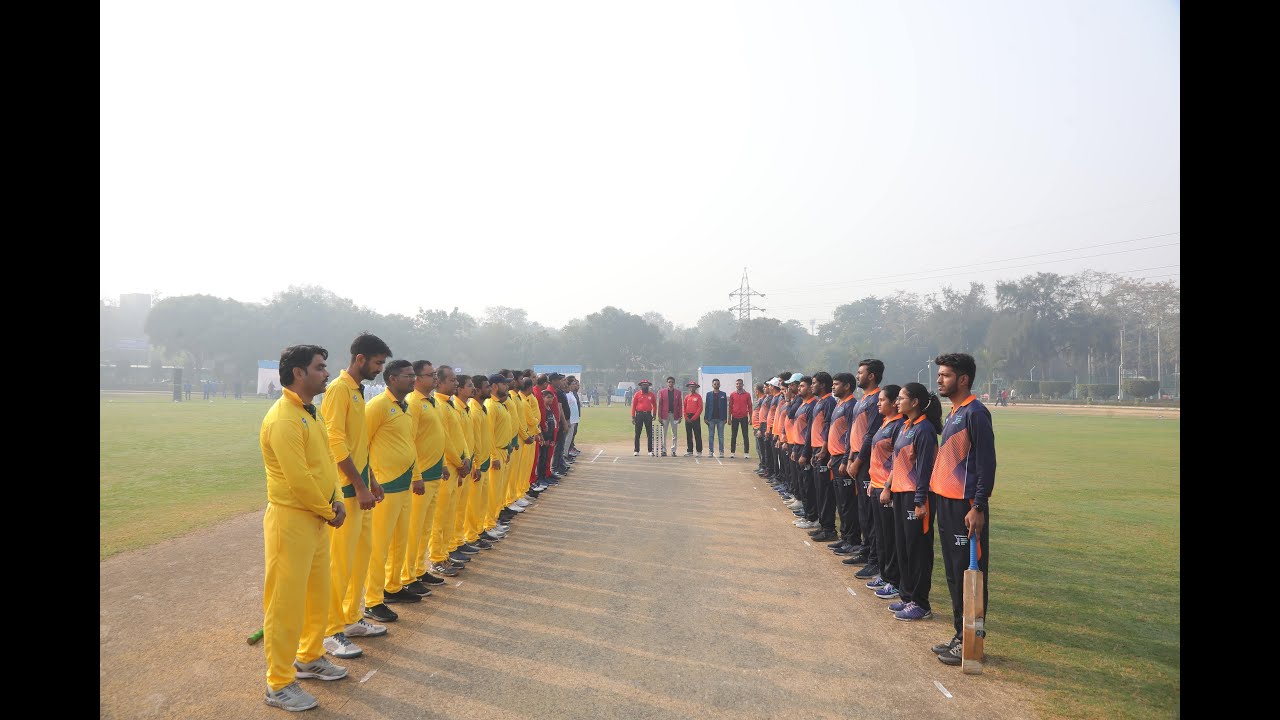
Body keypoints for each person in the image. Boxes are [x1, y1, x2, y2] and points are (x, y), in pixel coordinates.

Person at [259, 344, 348, 712]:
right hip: (292, 520)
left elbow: (326, 463)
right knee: (285, 603)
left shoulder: (311, 413)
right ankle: (278, 683)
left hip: (316, 518)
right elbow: (298, 479)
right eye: (320, 367)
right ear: (298, 373)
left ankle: (309, 657)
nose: (326, 373)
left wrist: (337, 498)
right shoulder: (283, 418)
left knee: (316, 594)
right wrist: (328, 509)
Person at [320, 333, 390, 657]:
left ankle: (350, 618)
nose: (379, 369)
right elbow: (335, 441)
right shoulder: (338, 389)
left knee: (361, 555)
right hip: (346, 490)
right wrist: (359, 486)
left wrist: (371, 479)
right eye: (377, 363)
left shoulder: (357, 391)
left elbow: (359, 444)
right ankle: (330, 630)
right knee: (340, 562)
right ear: (360, 359)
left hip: (361, 486)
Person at [930, 353, 996, 666]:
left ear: (964, 379)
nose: (939, 380)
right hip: (946, 502)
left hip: (966, 505)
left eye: (945, 375)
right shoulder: (956, 412)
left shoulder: (976, 413)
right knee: (954, 574)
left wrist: (979, 506)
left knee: (970, 574)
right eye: (940, 374)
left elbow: (986, 463)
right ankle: (960, 635)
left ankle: (972, 642)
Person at [362, 360, 422, 624]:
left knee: (400, 540)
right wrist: (370, 480)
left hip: (405, 483)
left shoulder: (404, 408)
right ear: (392, 378)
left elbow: (409, 445)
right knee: (380, 546)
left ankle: (393, 586)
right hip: (385, 487)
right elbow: (360, 445)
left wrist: (417, 476)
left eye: (414, 375)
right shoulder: (377, 406)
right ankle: (373, 600)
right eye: (408, 376)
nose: (413, 379)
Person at [886, 383, 938, 622]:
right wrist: (889, 487)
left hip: (916, 497)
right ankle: (907, 597)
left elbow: (925, 469)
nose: (897, 402)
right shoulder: (907, 426)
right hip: (901, 494)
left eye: (901, 398)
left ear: (915, 402)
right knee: (904, 547)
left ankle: (921, 603)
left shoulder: (924, 429)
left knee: (918, 550)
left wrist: (920, 501)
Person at [403, 360, 453, 586]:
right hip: (420, 476)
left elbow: (436, 437)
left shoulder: (430, 402)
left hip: (434, 473)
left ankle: (418, 569)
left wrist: (442, 463)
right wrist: (416, 476)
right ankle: (407, 575)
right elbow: (410, 441)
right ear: (417, 378)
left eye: (435, 374)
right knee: (414, 529)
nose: (435, 378)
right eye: (430, 375)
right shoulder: (413, 402)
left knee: (424, 528)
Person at [843, 359, 887, 582]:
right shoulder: (863, 400)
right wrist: (850, 457)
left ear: (871, 376)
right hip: (857, 461)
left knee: (870, 513)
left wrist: (858, 461)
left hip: (868, 464)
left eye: (860, 372)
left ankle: (874, 559)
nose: (857, 375)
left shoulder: (876, 400)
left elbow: (870, 436)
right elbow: (854, 433)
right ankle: (866, 550)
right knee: (862, 510)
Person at [428, 366, 472, 580]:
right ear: (440, 382)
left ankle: (445, 553)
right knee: (440, 517)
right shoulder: (438, 405)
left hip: (457, 467)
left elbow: (459, 436)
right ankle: (437, 558)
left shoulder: (448, 405)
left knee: (449, 515)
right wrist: (458, 461)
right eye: (452, 380)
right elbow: (444, 440)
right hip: (448, 468)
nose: (456, 383)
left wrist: (466, 458)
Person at [865, 385, 905, 604]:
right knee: (880, 534)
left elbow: (898, 460)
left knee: (890, 537)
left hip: (888, 488)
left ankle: (894, 580)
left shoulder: (898, 425)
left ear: (893, 403)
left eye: (882, 400)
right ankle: (885, 573)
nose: (878, 403)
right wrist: (873, 481)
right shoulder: (885, 423)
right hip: (877, 485)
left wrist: (888, 486)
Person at [824, 372, 862, 559]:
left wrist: (846, 459)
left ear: (847, 386)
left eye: (837, 384)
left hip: (844, 458)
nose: (833, 387)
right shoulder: (839, 404)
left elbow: (850, 436)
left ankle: (853, 540)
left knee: (848, 503)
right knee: (841, 501)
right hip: (836, 457)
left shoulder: (851, 405)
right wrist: (832, 456)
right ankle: (845, 536)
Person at [805, 372, 838, 542]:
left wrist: (824, 449)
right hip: (816, 450)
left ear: (823, 385)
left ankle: (829, 529)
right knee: (819, 489)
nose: (812, 386)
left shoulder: (829, 402)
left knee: (825, 491)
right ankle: (823, 525)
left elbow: (828, 427)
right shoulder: (820, 402)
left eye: (814, 383)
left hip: (823, 452)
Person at [655, 376, 682, 457]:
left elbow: (680, 405)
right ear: (667, 383)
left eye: (672, 382)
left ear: (674, 383)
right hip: (664, 415)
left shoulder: (678, 392)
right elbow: (660, 405)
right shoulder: (662, 392)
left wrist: (680, 416)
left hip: (674, 415)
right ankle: (664, 450)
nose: (671, 383)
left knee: (674, 434)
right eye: (669, 382)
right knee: (664, 433)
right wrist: (659, 416)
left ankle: (673, 451)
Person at [630, 380, 656, 456]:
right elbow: (633, 406)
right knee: (637, 433)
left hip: (648, 415)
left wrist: (654, 414)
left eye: (646, 385)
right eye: (643, 385)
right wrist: (633, 416)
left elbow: (654, 405)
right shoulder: (637, 394)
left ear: (648, 386)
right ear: (641, 386)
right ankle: (636, 450)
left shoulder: (651, 394)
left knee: (649, 433)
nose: (645, 386)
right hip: (639, 415)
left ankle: (650, 451)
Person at [704, 378, 728, 458]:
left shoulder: (723, 394)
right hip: (711, 419)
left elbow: (725, 407)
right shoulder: (708, 394)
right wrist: (705, 418)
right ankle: (711, 451)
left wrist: (725, 418)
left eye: (718, 384)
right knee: (711, 436)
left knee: (721, 436)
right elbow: (707, 406)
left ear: (719, 385)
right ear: (712, 385)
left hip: (721, 419)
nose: (716, 385)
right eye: (715, 384)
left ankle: (721, 452)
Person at [729, 378, 752, 459]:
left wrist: (751, 418)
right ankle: (732, 452)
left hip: (744, 417)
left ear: (743, 385)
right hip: (735, 417)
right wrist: (729, 418)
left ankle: (746, 453)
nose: (738, 385)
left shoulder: (747, 394)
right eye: (737, 384)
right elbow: (730, 407)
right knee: (733, 435)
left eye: (740, 384)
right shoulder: (732, 394)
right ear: (736, 385)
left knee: (745, 435)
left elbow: (750, 406)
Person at [682, 381, 703, 456]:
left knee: (697, 434)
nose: (692, 388)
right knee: (689, 435)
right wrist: (686, 417)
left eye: (693, 386)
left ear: (696, 387)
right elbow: (684, 407)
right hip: (688, 417)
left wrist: (694, 418)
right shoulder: (687, 397)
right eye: (690, 386)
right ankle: (690, 451)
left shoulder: (698, 397)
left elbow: (700, 408)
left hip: (695, 417)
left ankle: (699, 451)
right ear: (689, 387)